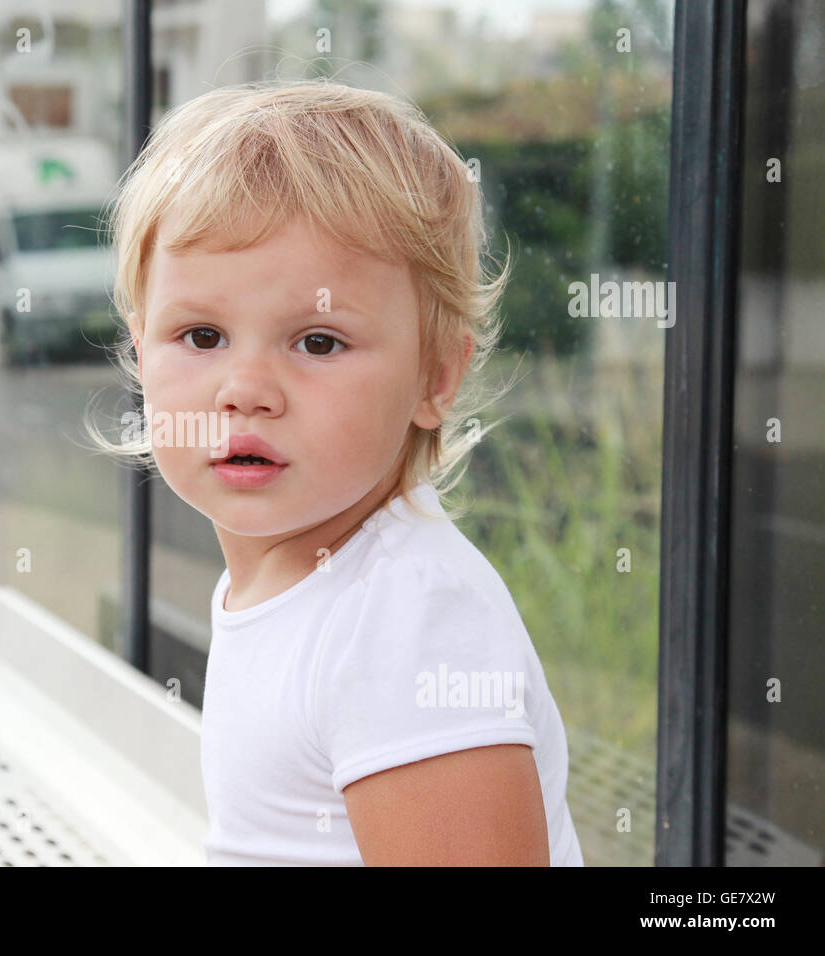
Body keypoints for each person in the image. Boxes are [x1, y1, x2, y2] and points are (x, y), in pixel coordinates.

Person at [88, 78, 583, 866]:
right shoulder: (293, 581)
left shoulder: (406, 620)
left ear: (435, 379)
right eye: (202, 335)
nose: (245, 389)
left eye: (317, 342)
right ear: (141, 353)